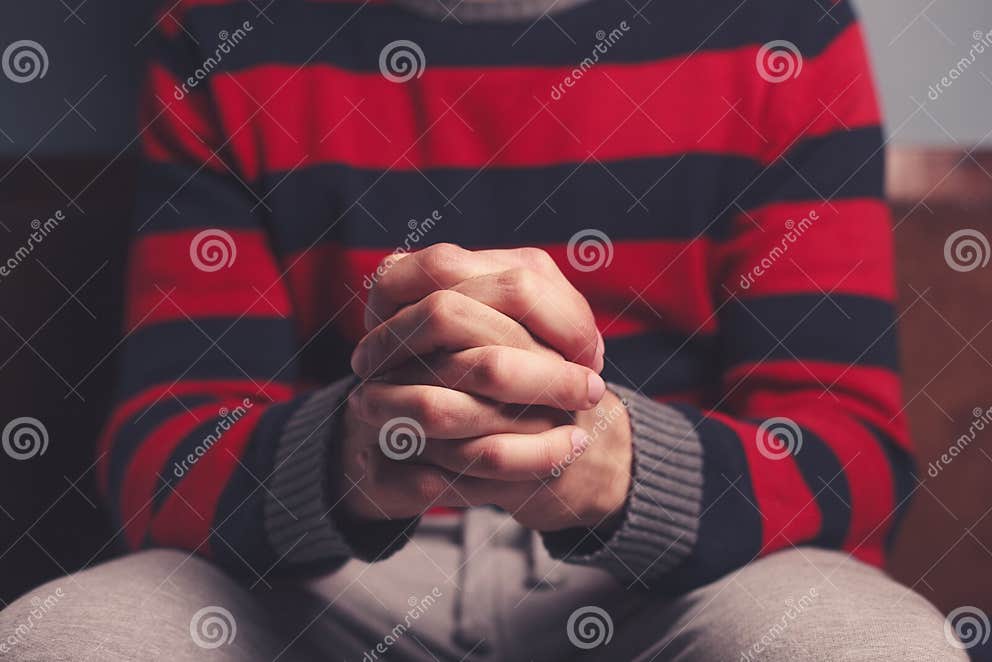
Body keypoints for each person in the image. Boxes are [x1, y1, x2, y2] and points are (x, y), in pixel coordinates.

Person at [0, 0, 965, 659]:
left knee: (872, 647)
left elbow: (850, 455)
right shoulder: (223, 31)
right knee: (69, 640)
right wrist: (355, 452)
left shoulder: (784, 28)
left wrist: (618, 471)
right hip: (325, 583)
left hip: (679, 584)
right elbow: (164, 453)